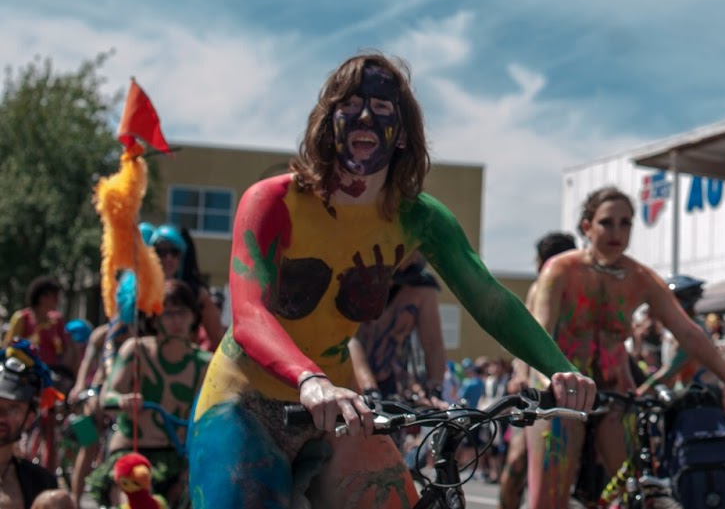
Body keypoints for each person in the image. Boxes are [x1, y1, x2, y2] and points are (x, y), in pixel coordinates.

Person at [186, 52, 595, 509]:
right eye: (351, 104)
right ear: (329, 122)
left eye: (383, 109)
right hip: (244, 400)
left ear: (402, 134)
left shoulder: (418, 218)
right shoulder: (273, 200)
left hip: (341, 409)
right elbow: (248, 313)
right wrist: (309, 380)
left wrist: (559, 367)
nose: (365, 116)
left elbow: (489, 299)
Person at [527, 186, 725, 508]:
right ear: (587, 227)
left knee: (632, 495)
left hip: (617, 395)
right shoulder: (561, 269)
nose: (617, 232)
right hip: (563, 389)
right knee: (547, 498)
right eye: (606, 222)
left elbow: (687, 330)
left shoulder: (639, 277)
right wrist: (545, 379)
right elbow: (539, 330)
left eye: (625, 223)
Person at [88, 279, 211, 506]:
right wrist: (123, 400)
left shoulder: (204, 363)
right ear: (154, 318)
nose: (176, 320)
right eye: (168, 313)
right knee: (133, 496)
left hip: (178, 457)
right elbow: (108, 395)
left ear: (193, 316)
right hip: (131, 453)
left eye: (182, 312)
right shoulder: (135, 350)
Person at [498, 230, 578, 509]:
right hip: (540, 386)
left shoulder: (581, 287)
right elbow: (529, 338)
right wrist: (520, 375)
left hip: (577, 385)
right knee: (518, 461)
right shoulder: (539, 289)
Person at [354, 250, 446, 401]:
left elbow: (433, 345)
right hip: (352, 383)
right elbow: (349, 340)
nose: (414, 256)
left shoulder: (422, 288)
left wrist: (435, 390)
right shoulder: (356, 280)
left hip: (394, 385)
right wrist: (368, 386)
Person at [0, 343, 73, 508]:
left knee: (56, 501)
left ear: (29, 419)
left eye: (13, 409)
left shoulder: (39, 482)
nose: (1, 416)